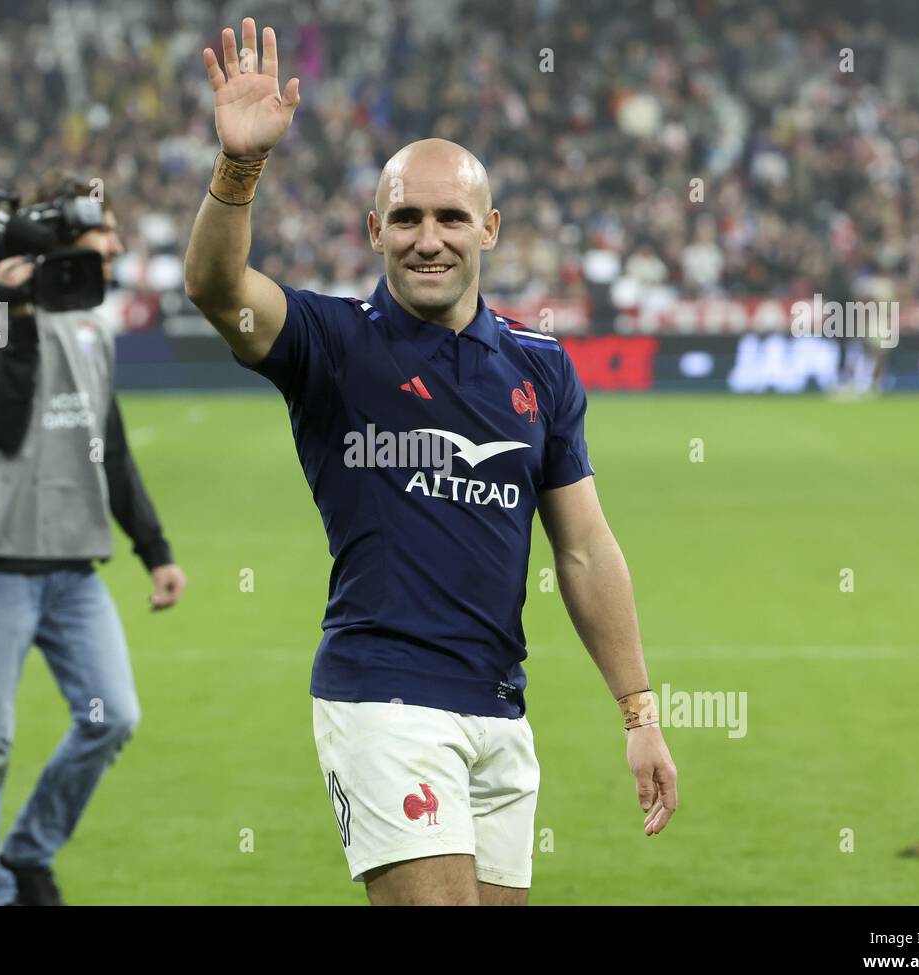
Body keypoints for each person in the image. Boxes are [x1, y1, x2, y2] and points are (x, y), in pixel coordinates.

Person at [184, 17, 677, 906]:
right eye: (406, 217)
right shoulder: (331, 344)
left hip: (498, 708)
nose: (429, 238)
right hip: (383, 701)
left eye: (452, 217)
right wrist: (239, 168)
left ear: (488, 227)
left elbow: (585, 549)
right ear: (375, 230)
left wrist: (639, 712)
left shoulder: (540, 366)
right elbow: (218, 290)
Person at [0, 171, 186, 906]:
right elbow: (4, 427)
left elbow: (110, 446)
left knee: (114, 717)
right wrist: (11, 314)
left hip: (75, 567)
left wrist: (156, 550)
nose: (111, 258)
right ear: (51, 247)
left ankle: (26, 851)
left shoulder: (91, 328)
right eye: (97, 245)